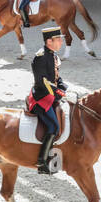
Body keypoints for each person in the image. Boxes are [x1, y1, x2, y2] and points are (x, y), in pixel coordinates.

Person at [27, 25, 68, 174]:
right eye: (58, 40)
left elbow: (57, 77)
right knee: (54, 127)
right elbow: (43, 81)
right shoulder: (40, 57)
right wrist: (58, 93)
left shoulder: (54, 56)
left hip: (52, 94)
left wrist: (64, 88)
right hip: (41, 98)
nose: (61, 42)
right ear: (49, 41)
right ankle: (42, 162)